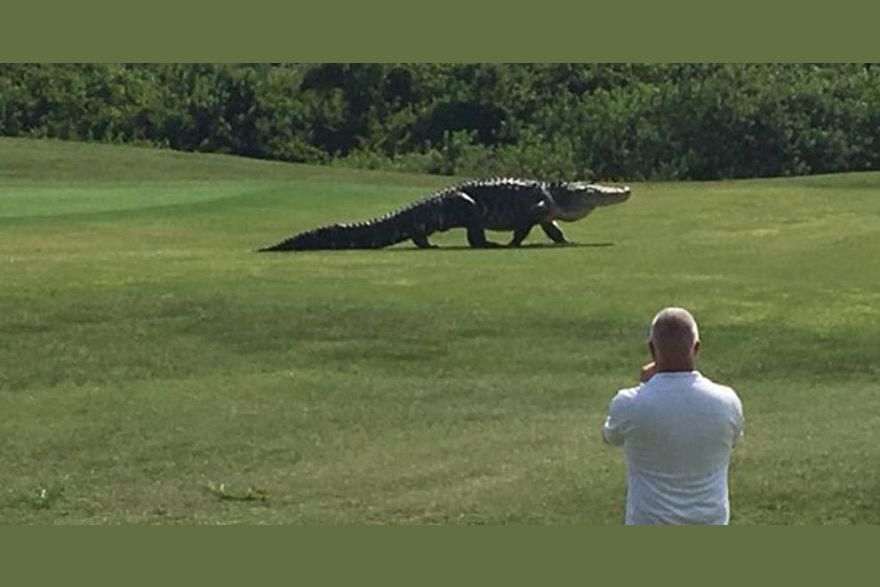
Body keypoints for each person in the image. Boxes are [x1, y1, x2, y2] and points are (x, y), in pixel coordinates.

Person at [601, 307, 744, 525]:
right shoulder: (727, 401)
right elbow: (734, 439)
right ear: (696, 349)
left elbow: (610, 436)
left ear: (652, 349)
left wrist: (644, 385)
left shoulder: (629, 403)